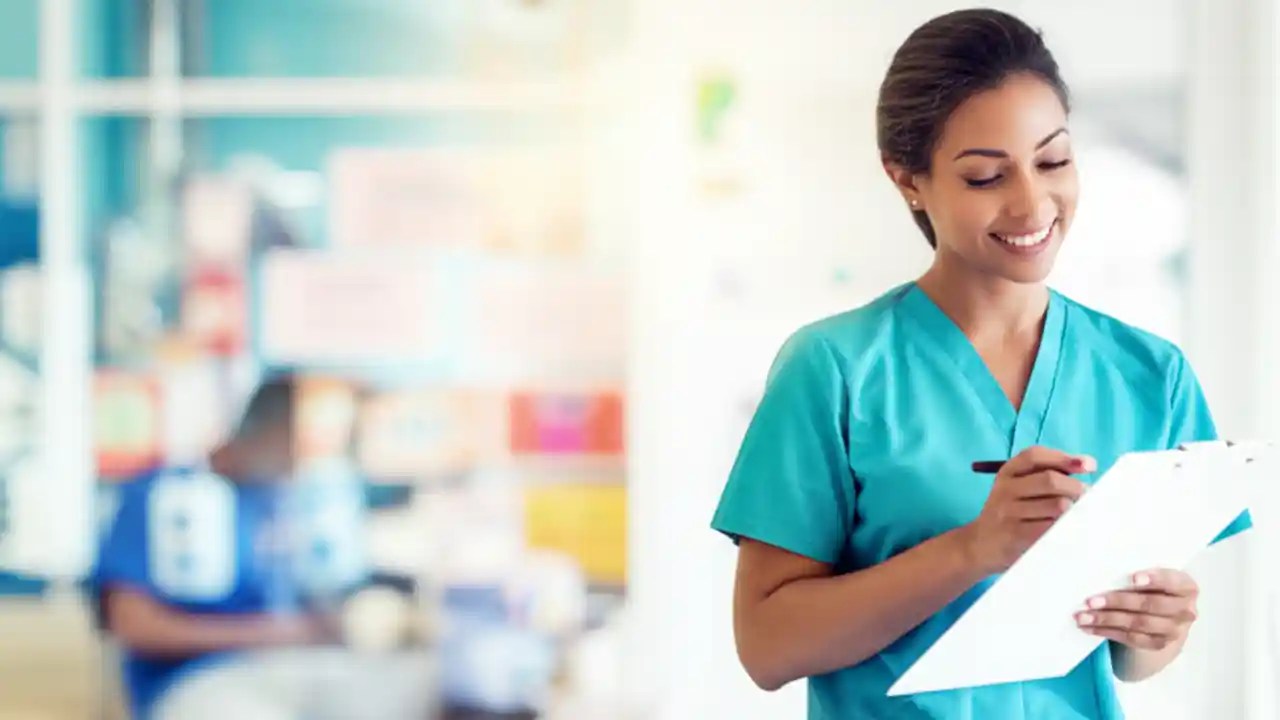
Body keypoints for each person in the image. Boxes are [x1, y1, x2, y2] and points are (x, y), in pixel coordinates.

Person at [711, 9, 1252, 719]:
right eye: (986, 176)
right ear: (908, 179)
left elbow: (1132, 656)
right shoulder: (834, 369)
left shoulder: (1151, 374)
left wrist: (1156, 631)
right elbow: (766, 647)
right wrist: (972, 550)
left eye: (1053, 160)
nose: (1032, 202)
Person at [92, 376, 431, 720]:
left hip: (301, 668)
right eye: (299, 442)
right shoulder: (163, 495)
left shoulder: (291, 500)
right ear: (264, 430)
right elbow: (134, 625)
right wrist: (271, 633)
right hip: (197, 681)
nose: (303, 461)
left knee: (419, 685)